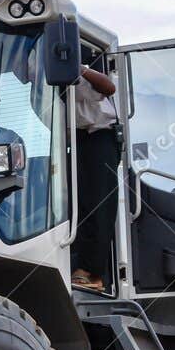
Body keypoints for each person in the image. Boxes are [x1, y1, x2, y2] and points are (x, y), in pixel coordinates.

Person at [70, 58, 120, 291]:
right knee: (79, 204)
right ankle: (79, 265)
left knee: (99, 204)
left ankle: (93, 273)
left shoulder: (66, 69)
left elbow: (109, 87)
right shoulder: (38, 87)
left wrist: (80, 69)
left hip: (100, 136)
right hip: (77, 139)